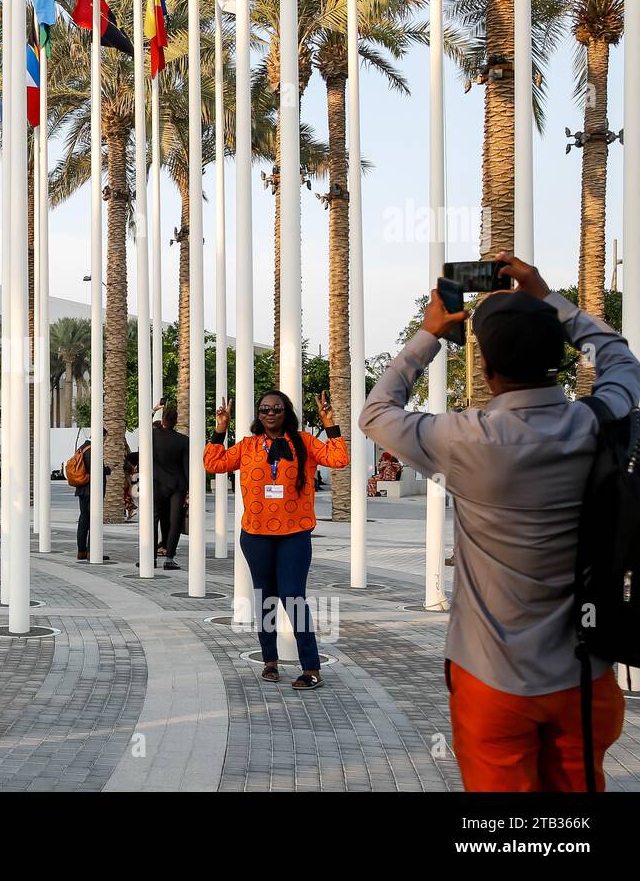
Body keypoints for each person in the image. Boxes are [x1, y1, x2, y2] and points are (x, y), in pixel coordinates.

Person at [360, 252, 640, 791]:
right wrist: (547, 297)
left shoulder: (464, 439)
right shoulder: (597, 421)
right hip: (585, 673)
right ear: (557, 359)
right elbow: (618, 358)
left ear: (486, 370)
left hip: (493, 679)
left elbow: (377, 412)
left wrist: (429, 334)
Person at [206, 390, 348, 689]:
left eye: (277, 409)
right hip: (256, 535)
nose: (271, 413)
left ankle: (311, 666)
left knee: (293, 596)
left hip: (294, 534)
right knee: (265, 597)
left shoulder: (304, 443)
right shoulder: (247, 446)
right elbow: (213, 463)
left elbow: (339, 459)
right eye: (265, 409)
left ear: (287, 413)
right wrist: (221, 428)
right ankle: (269, 661)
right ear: (258, 414)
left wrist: (330, 424)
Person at [151, 402, 189, 570]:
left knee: (154, 519)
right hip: (177, 485)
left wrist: (153, 410)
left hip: (157, 483)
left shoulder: (153, 436)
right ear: (176, 421)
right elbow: (187, 467)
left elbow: (143, 426)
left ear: (163, 419)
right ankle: (169, 558)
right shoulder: (183, 441)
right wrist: (189, 490)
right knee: (175, 522)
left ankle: (150, 557)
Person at [75, 429, 111, 561]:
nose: (104, 442)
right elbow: (95, 469)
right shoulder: (92, 449)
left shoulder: (83, 447)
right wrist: (108, 469)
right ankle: (92, 551)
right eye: (105, 439)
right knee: (93, 519)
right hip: (91, 490)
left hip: (82, 489)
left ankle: (82, 551)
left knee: (84, 519)